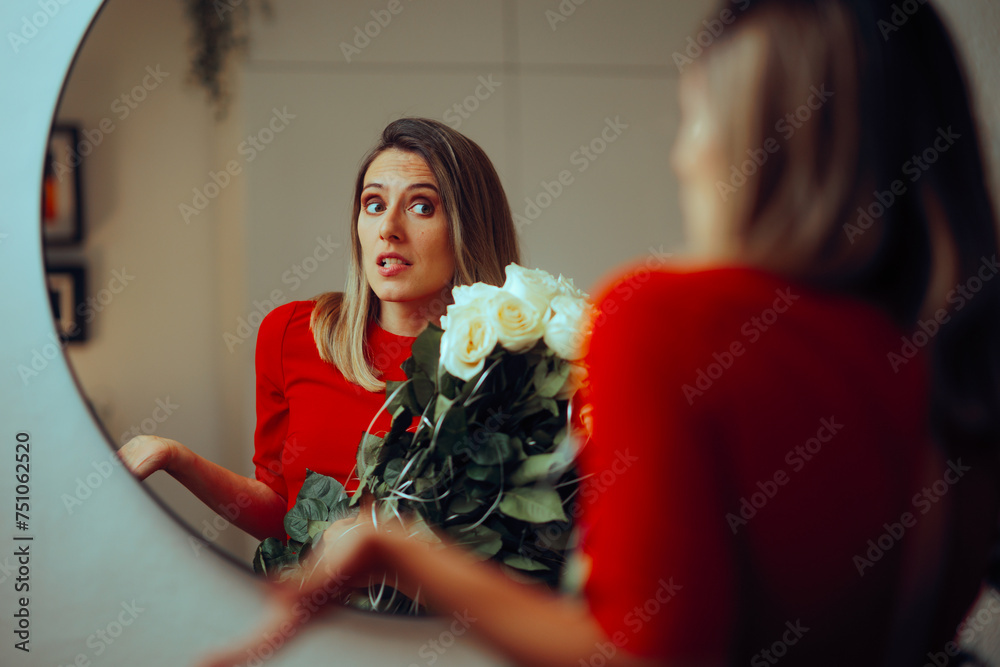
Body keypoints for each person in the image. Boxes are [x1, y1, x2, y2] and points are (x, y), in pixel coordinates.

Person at [200, 1, 1000, 665]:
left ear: (759, 149)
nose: (684, 154)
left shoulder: (658, 323)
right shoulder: (963, 353)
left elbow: (643, 654)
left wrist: (397, 553)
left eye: (694, 119)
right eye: (372, 202)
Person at [117, 118, 520, 540]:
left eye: (422, 206)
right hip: (317, 604)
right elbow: (281, 513)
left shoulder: (518, 358)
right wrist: (175, 457)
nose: (388, 229)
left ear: (469, 228)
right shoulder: (292, 333)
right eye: (374, 204)